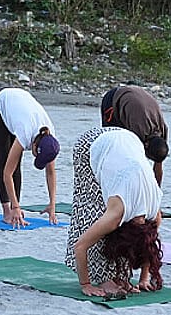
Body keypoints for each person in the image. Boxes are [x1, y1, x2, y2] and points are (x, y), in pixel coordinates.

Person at [65, 127, 164, 298]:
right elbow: (80, 247)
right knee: (92, 211)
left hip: (129, 139)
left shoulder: (153, 215)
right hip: (92, 144)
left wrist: (144, 279)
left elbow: (149, 245)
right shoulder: (116, 215)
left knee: (129, 239)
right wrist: (86, 285)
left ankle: (120, 277)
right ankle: (105, 278)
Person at [0, 87, 61, 227]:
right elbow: (7, 174)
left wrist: (52, 204)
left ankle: (16, 207)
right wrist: (14, 208)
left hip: (20, 106)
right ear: (34, 144)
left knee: (16, 162)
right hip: (0, 102)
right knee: (5, 158)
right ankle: (7, 212)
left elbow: (51, 172)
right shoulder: (25, 132)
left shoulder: (50, 140)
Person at [100, 84, 170, 185]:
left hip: (137, 97)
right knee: (112, 147)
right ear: (145, 145)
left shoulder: (162, 135)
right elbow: (132, 162)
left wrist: (155, 195)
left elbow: (158, 168)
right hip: (114, 99)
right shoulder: (136, 134)